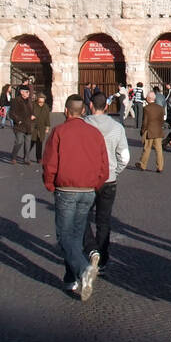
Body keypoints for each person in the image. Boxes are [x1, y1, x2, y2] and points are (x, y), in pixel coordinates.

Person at [42, 95, 110, 300]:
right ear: (83, 111)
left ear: (65, 111)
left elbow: (50, 162)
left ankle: (83, 270)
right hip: (88, 191)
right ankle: (70, 280)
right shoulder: (95, 133)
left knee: (64, 237)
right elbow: (103, 167)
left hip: (66, 190)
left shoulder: (59, 132)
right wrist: (94, 185)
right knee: (76, 236)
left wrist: (50, 183)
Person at [83, 92, 130, 272]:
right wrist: (114, 171)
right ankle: (102, 260)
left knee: (82, 217)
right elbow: (124, 157)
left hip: (87, 181)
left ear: (91, 106)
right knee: (103, 220)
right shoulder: (117, 127)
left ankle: (90, 250)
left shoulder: (83, 125)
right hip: (109, 180)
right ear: (107, 107)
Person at [138, 89, 165, 171]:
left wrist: (142, 131)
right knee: (159, 150)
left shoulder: (146, 108)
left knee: (147, 148)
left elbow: (145, 121)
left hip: (149, 131)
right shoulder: (160, 108)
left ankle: (143, 164)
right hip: (158, 130)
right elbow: (162, 120)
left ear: (148, 98)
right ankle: (160, 167)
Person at [8, 84, 35, 164]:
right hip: (20, 125)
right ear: (22, 92)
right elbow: (11, 113)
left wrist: (33, 116)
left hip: (29, 125)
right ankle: (13, 156)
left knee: (27, 143)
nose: (28, 93)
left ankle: (26, 158)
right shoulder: (15, 101)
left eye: (28, 92)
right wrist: (18, 120)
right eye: (27, 92)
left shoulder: (30, 101)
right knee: (19, 142)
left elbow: (32, 111)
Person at [30, 88, 52, 163]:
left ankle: (39, 158)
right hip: (33, 127)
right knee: (31, 143)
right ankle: (26, 155)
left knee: (40, 144)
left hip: (41, 127)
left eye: (43, 102)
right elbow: (28, 113)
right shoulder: (33, 105)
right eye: (40, 102)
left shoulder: (46, 107)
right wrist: (31, 117)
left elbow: (47, 117)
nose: (41, 103)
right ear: (37, 100)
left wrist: (47, 126)